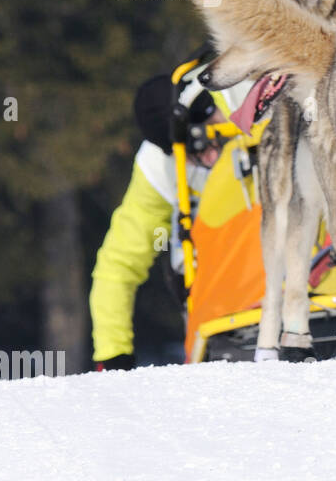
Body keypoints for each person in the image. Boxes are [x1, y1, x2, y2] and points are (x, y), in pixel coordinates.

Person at [89, 65, 249, 370]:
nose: (212, 158)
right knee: (178, 248)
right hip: (229, 279)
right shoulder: (158, 167)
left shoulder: (250, 87)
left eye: (213, 140)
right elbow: (118, 264)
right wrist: (113, 354)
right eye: (195, 153)